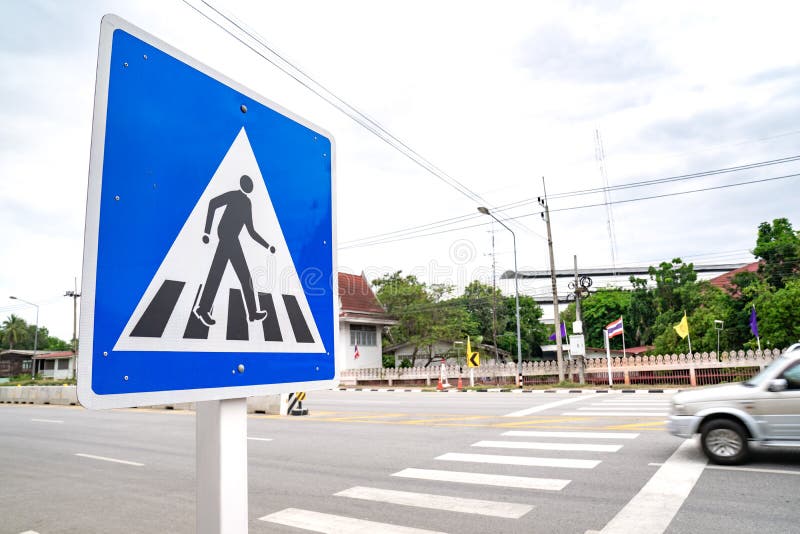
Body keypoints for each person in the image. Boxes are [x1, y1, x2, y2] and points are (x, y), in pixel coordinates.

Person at [194, 174, 275, 327]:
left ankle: (250, 313)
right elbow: (213, 203)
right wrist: (206, 232)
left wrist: (267, 246)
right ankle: (204, 309)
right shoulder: (234, 195)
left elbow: (251, 231)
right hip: (226, 237)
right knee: (222, 274)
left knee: (237, 276)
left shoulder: (247, 203)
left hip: (232, 240)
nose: (249, 186)